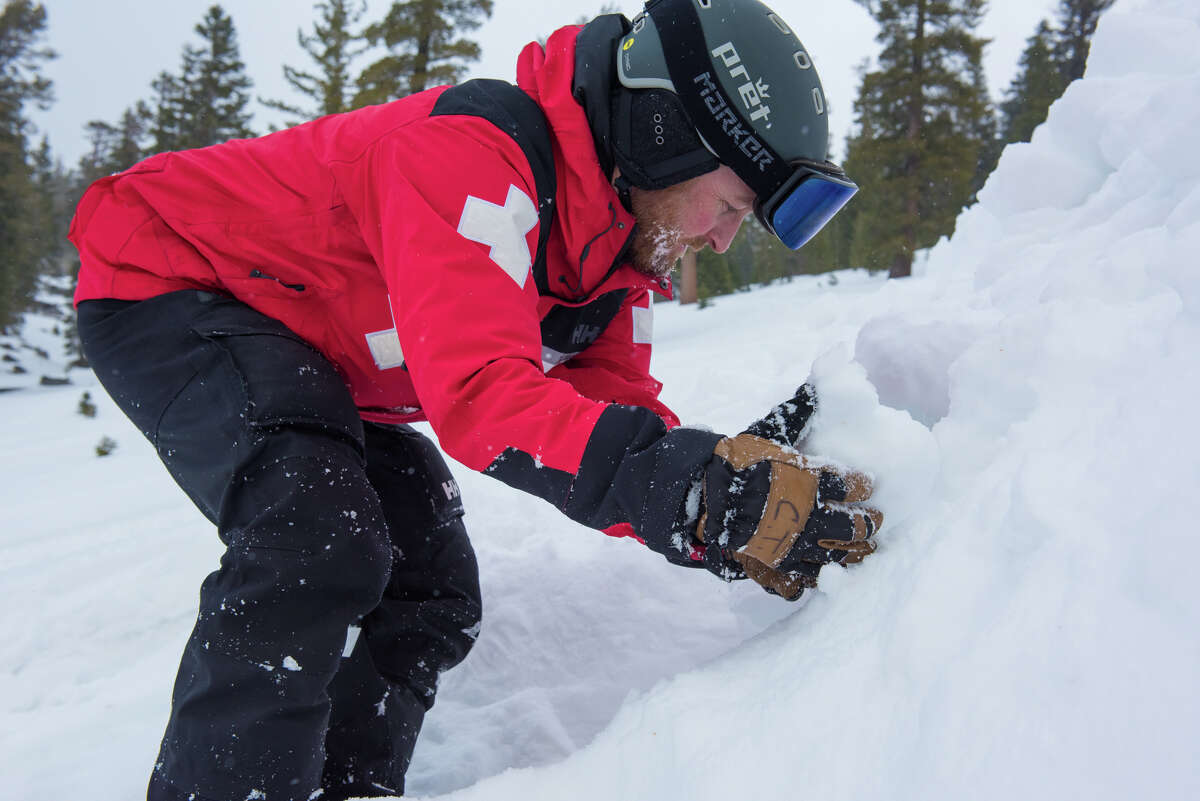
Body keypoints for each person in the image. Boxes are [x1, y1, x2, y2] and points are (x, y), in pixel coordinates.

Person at [69, 0, 882, 798]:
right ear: (663, 135)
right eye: (732, 205)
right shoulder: (475, 152)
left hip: (317, 355)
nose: (721, 238)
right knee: (312, 536)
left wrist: (720, 494)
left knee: (430, 586)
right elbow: (483, 396)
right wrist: (693, 485)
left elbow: (615, 431)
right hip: (172, 280)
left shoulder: (613, 271)